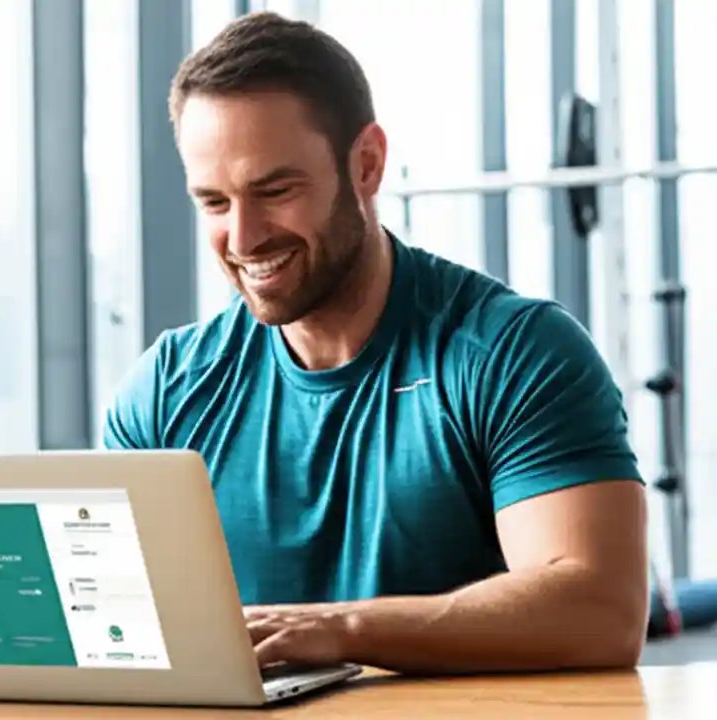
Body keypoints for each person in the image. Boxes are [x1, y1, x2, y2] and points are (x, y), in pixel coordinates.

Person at [102, 12, 648, 674]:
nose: (242, 240)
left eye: (275, 191)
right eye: (214, 203)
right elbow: (112, 625)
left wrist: (343, 629)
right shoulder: (168, 389)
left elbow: (599, 610)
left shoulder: (514, 353)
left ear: (366, 164)